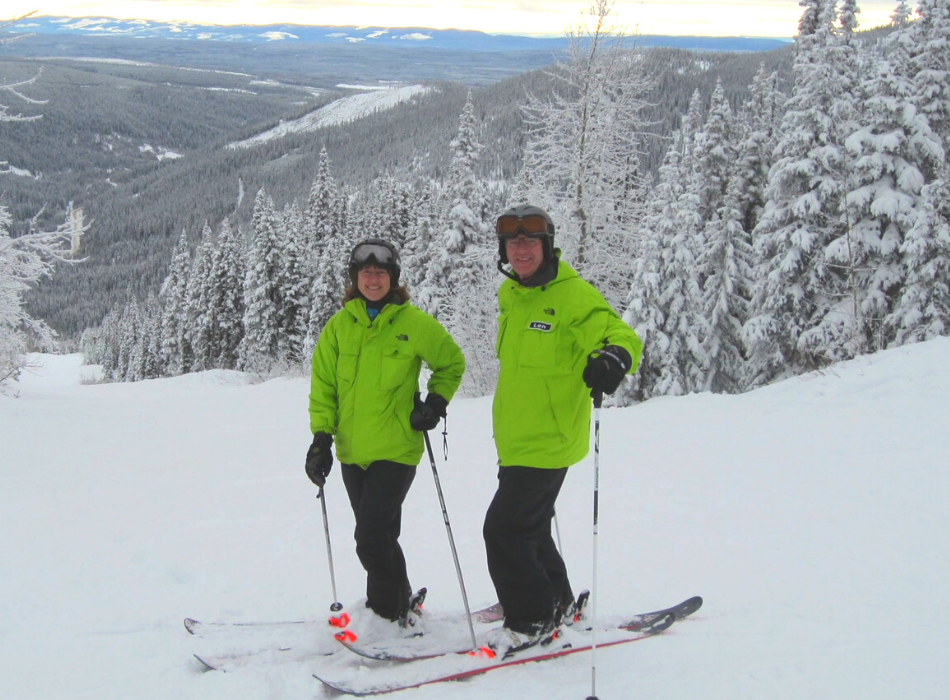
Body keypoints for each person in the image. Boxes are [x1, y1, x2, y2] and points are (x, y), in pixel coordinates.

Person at [483, 204, 643, 652]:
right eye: (513, 242)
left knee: (503, 531)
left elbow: (621, 335)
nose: (521, 250)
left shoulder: (573, 295)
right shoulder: (511, 294)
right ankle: (556, 600)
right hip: (516, 440)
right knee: (529, 529)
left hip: (549, 440)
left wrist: (613, 357)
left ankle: (532, 621)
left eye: (530, 241)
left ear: (548, 245)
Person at [305, 238, 465, 627]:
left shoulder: (413, 324)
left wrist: (435, 403)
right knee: (381, 535)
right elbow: (324, 387)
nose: (373, 279)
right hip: (351, 452)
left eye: (381, 272)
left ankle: (387, 611)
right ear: (355, 278)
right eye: (366, 272)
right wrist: (321, 439)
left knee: (370, 536)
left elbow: (451, 362)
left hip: (396, 449)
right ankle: (396, 599)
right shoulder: (338, 328)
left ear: (393, 278)